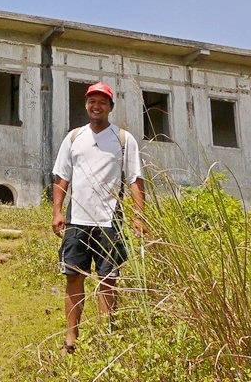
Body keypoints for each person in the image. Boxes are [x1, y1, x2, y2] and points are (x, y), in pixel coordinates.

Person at [50, 82, 145, 354]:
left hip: (109, 221)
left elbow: (135, 180)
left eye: (102, 101)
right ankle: (71, 339)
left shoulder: (124, 140)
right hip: (77, 220)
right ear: (86, 105)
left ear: (110, 107)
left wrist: (139, 217)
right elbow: (62, 177)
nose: (96, 105)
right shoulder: (74, 138)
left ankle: (108, 339)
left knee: (108, 280)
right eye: (92, 100)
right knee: (73, 277)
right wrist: (57, 211)